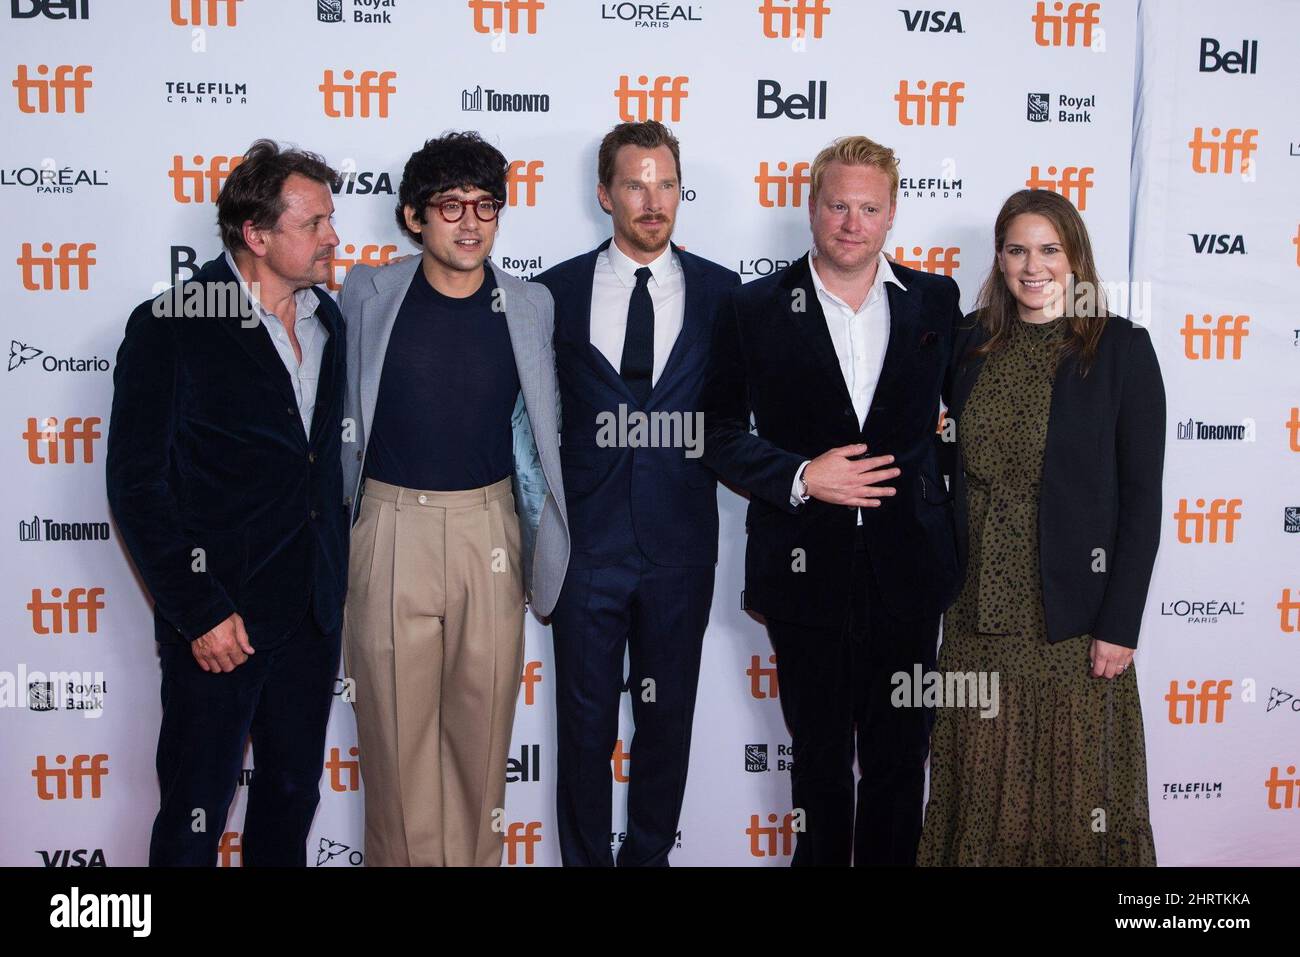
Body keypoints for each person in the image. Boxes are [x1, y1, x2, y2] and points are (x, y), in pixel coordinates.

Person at [701, 135, 962, 866]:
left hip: (909, 574)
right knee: (817, 767)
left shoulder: (936, 301)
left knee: (900, 761)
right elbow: (715, 432)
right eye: (838, 205)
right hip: (802, 574)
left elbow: (968, 415)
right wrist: (800, 475)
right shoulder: (752, 307)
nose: (852, 222)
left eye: (868, 207)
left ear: (892, 214)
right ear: (811, 207)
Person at [106, 139, 348, 866]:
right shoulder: (172, 324)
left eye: (329, 220)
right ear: (257, 234)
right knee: (193, 816)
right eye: (314, 223)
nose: (333, 237)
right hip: (220, 620)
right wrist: (199, 609)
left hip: (309, 614)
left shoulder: (329, 324)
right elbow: (136, 485)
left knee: (288, 804)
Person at [339, 131, 569, 867]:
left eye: (486, 207)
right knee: (397, 752)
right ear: (414, 217)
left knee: (482, 742)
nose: (471, 223)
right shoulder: (364, 295)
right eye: (450, 207)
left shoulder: (532, 305)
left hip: (491, 531)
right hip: (390, 526)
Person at [917, 189, 1163, 866]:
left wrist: (1121, 622)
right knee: (980, 788)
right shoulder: (968, 341)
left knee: (1075, 792)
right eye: (1018, 249)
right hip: (975, 614)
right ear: (999, 257)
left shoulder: (1120, 349)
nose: (1033, 266)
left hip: (1075, 618)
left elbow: (1142, 498)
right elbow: (943, 452)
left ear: (1075, 257)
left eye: (1050, 249)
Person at [533, 120, 740, 866]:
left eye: (664, 184)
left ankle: (648, 857)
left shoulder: (725, 293)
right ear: (604, 194)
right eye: (634, 184)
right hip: (586, 547)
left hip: (681, 546)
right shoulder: (550, 293)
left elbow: (741, 417)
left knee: (667, 723)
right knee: (584, 728)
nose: (652, 201)